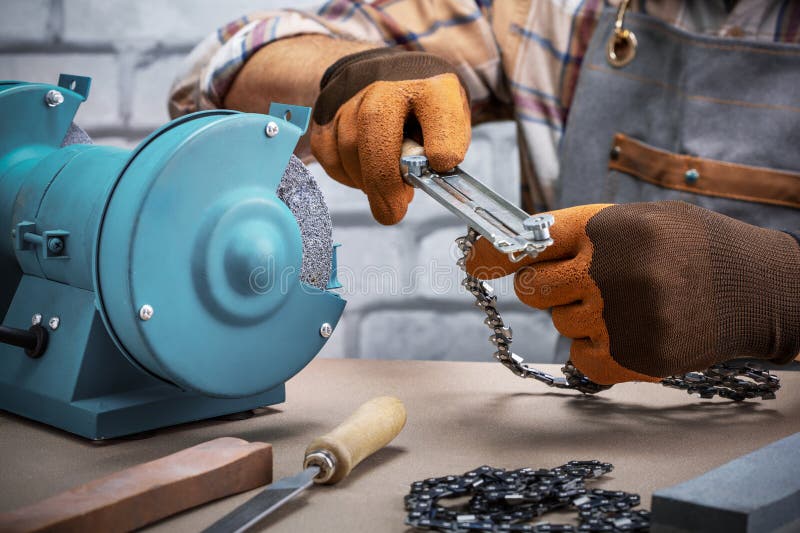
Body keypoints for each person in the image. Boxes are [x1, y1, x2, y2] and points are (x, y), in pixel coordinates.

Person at [170, 0, 799, 386]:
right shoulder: (546, 10)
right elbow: (218, 69)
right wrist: (348, 73)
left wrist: (782, 294)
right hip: (604, 423)